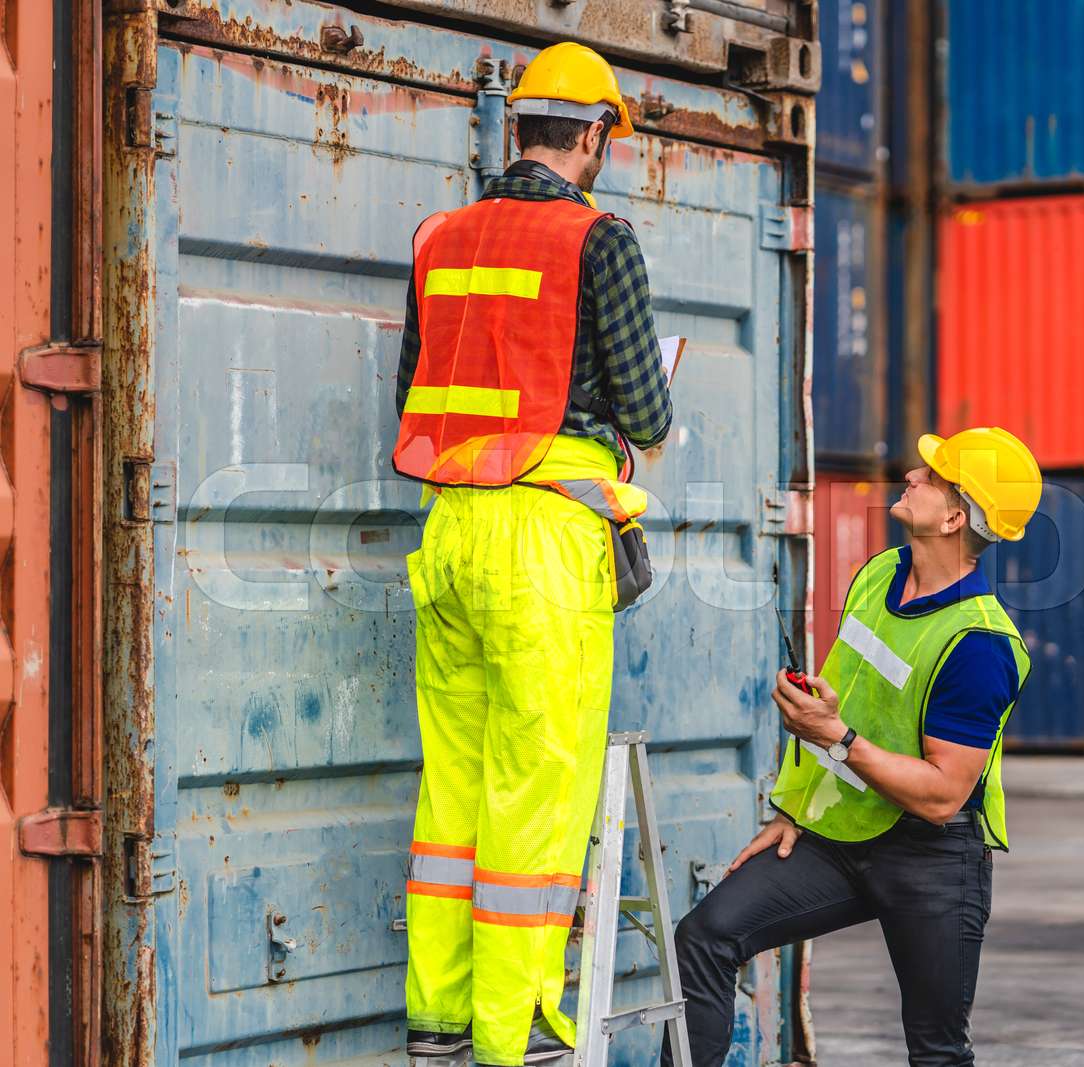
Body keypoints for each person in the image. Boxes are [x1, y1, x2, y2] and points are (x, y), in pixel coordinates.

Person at [391, 41, 672, 1067]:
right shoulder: (600, 240)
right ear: (593, 136)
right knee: (538, 785)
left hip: (450, 527)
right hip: (545, 531)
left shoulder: (440, 237)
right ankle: (519, 1039)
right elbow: (645, 406)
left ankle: (439, 1022)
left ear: (515, 127)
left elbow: (411, 398)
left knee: (453, 787)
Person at [667, 427, 1043, 1067]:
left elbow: (942, 795)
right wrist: (793, 806)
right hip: (844, 840)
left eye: (932, 477)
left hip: (934, 862)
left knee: (937, 1051)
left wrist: (835, 737)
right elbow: (847, 700)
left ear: (955, 517)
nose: (912, 477)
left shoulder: (980, 645)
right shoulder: (879, 574)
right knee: (704, 935)